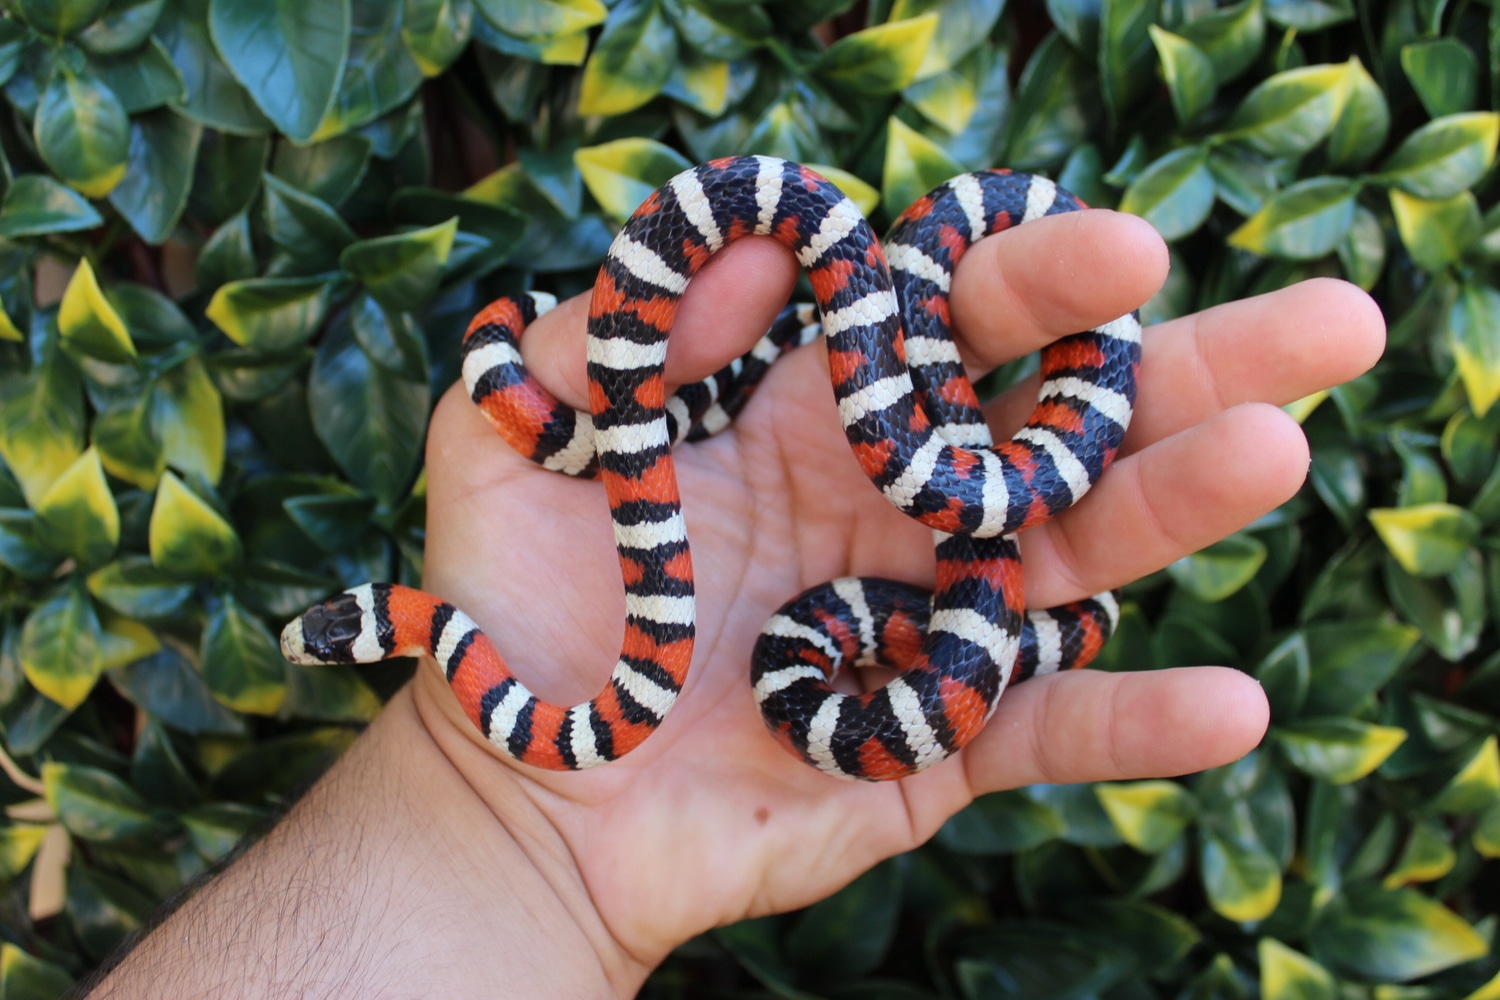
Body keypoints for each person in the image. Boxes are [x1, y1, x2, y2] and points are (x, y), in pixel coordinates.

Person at [83, 209, 1385, 998]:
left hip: (887, 506)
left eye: (354, 623)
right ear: (393, 622)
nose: (349, 629)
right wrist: (502, 833)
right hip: (844, 625)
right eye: (357, 627)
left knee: (1009, 506)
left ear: (389, 620)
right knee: (989, 591)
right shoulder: (569, 704)